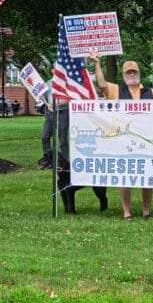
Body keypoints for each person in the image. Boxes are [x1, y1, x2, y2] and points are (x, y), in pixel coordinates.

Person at [90, 51, 153, 219]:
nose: (131, 75)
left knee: (147, 177)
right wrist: (97, 63)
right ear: (123, 75)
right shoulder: (115, 90)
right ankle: (126, 212)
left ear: (138, 74)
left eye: (134, 72)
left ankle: (146, 211)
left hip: (146, 141)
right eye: (128, 72)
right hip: (123, 141)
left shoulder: (152, 93)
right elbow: (101, 84)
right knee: (124, 177)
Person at [38, 83, 107, 213]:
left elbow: (71, 98)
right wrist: (42, 97)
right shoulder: (47, 83)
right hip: (50, 112)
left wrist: (57, 104)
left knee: (63, 139)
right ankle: (49, 161)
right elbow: (41, 94)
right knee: (44, 137)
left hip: (63, 112)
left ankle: (63, 163)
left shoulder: (66, 83)